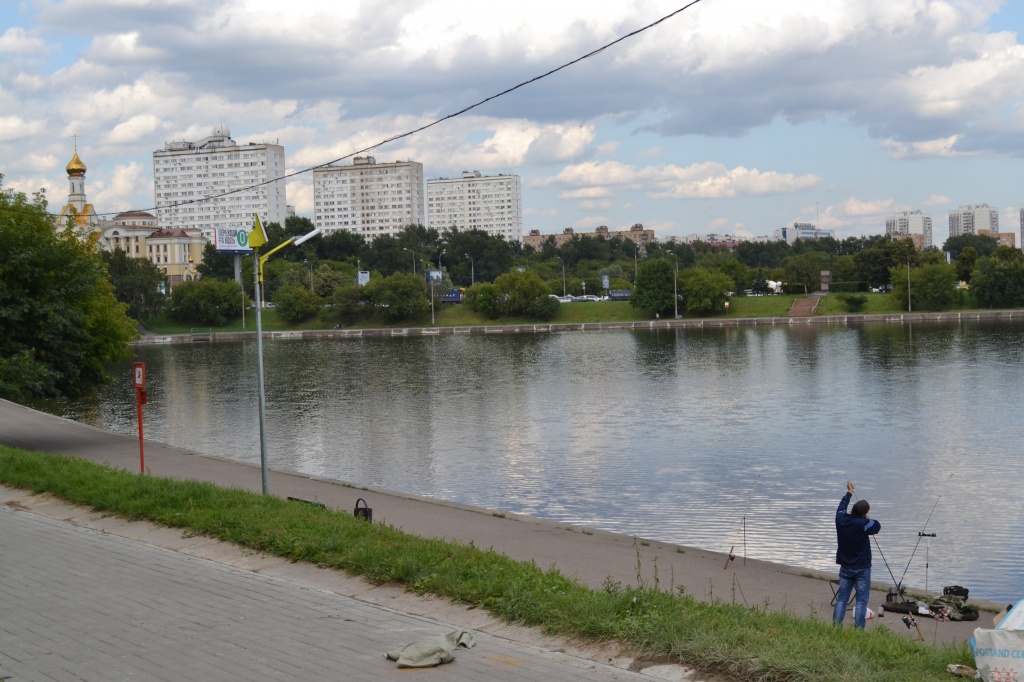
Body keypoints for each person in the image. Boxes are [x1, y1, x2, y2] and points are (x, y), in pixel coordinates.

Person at [833, 481, 880, 629]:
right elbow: (877, 526)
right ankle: (858, 631)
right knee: (861, 601)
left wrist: (849, 493)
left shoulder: (840, 520)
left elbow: (841, 508)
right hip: (862, 568)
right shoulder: (864, 524)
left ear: (852, 509)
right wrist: (866, 519)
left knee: (841, 599)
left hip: (845, 566)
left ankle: (836, 628)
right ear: (863, 513)